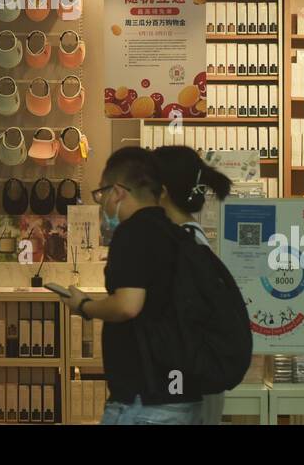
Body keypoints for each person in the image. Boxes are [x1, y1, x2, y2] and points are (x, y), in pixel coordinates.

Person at [58, 147, 202, 424]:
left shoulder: (133, 232)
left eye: (102, 193)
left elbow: (127, 305)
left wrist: (85, 306)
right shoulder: (176, 233)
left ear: (118, 192)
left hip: (143, 400)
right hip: (182, 393)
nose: (104, 204)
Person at [151, 145, 233, 424]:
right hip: (194, 380)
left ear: (161, 191)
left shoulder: (183, 244)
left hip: (189, 383)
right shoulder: (187, 238)